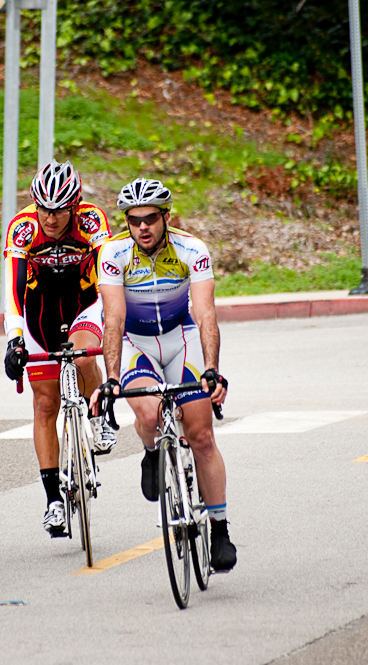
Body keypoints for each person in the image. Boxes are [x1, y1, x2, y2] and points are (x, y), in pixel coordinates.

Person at [91, 177, 237, 572]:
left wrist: (212, 370)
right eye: (134, 220)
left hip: (180, 338)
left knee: (201, 436)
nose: (142, 227)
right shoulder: (113, 253)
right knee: (149, 413)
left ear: (166, 217)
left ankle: (220, 529)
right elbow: (113, 318)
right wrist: (111, 377)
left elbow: (205, 313)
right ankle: (152, 451)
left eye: (151, 219)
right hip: (136, 343)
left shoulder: (192, 249)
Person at [3, 160, 116, 537]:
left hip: (83, 302)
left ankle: (97, 416)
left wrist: (116, 320)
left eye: (60, 210)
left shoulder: (92, 221)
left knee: (83, 356)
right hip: (39, 311)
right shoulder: (23, 228)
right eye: (44, 209)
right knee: (44, 404)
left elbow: (108, 278)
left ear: (75, 206)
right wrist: (14, 339)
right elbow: (14, 290)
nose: (50, 218)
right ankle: (53, 500)